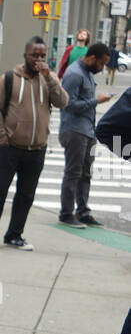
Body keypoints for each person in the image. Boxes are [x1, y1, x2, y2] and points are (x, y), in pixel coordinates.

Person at [0, 37, 67, 251]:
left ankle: (14, 235)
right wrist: (2, 136)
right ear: (25, 55)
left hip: (37, 150)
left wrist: (49, 77)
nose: (39, 59)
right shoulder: (9, 79)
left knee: (25, 196)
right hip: (11, 148)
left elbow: (62, 102)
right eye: (35, 55)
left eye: (42, 55)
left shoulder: (48, 79)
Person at [58, 41, 111, 227]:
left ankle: (82, 212)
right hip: (74, 130)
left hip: (86, 130)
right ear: (92, 58)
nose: (102, 67)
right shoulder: (74, 74)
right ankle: (66, 213)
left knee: (85, 173)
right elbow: (68, 104)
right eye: (101, 63)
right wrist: (96, 101)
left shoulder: (87, 73)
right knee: (73, 173)